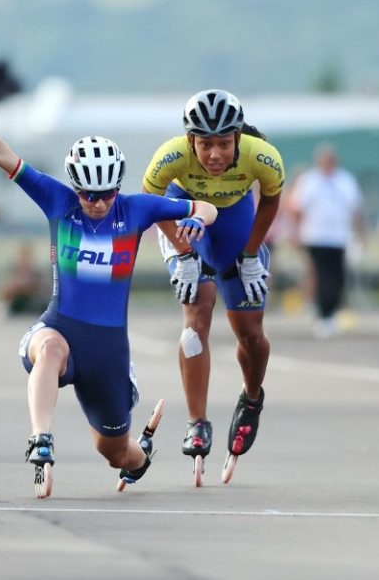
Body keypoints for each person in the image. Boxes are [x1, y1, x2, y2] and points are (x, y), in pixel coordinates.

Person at [0, 77, 217, 497]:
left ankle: (139, 452)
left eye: (106, 194)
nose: (99, 202)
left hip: (108, 350)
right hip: (62, 326)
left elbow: (207, 207)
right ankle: (40, 438)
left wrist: (197, 218)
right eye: (89, 195)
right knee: (47, 347)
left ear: (117, 186)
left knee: (117, 454)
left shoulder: (136, 209)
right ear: (75, 187)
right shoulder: (58, 201)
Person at [142, 89, 284, 474]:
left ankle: (251, 398)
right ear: (191, 141)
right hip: (187, 226)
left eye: (224, 143)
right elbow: (151, 202)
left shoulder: (262, 156)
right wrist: (183, 254)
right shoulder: (170, 156)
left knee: (252, 336)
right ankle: (196, 422)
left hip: (237, 229)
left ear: (239, 138)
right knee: (196, 322)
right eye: (205, 144)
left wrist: (252, 254)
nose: (215, 155)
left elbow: (271, 201)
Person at [287, 143, 364, 338]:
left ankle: (331, 312)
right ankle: (323, 315)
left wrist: (359, 233)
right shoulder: (309, 180)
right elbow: (296, 208)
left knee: (337, 277)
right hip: (315, 236)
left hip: (339, 237)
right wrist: (295, 232)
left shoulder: (345, 180)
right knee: (322, 276)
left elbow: (355, 209)